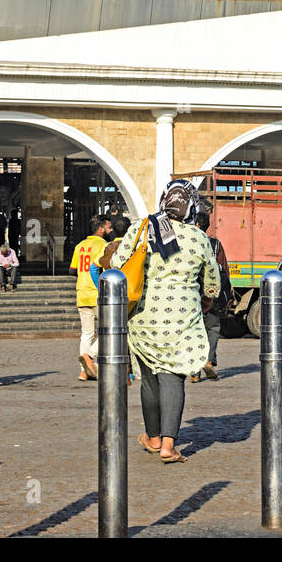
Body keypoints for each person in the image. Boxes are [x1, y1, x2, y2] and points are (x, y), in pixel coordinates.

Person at [110, 180, 219, 463]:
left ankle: (154, 437)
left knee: (149, 379)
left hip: (145, 318)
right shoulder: (199, 238)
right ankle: (169, 445)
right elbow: (212, 284)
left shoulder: (142, 228)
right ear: (192, 206)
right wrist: (205, 301)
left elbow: (117, 265)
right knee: (173, 377)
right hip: (184, 319)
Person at [193, 207, 232, 383]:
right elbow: (224, 269)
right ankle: (208, 360)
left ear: (196, 224)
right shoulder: (215, 245)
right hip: (211, 293)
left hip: (192, 293)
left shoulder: (188, 242)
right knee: (213, 328)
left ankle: (194, 371)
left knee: (194, 330)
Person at [71, 215, 111, 382]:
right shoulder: (104, 245)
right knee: (108, 331)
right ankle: (90, 355)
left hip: (82, 292)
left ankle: (83, 371)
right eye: (108, 227)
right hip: (98, 294)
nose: (110, 230)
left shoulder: (80, 246)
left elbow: (72, 270)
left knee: (86, 333)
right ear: (101, 228)